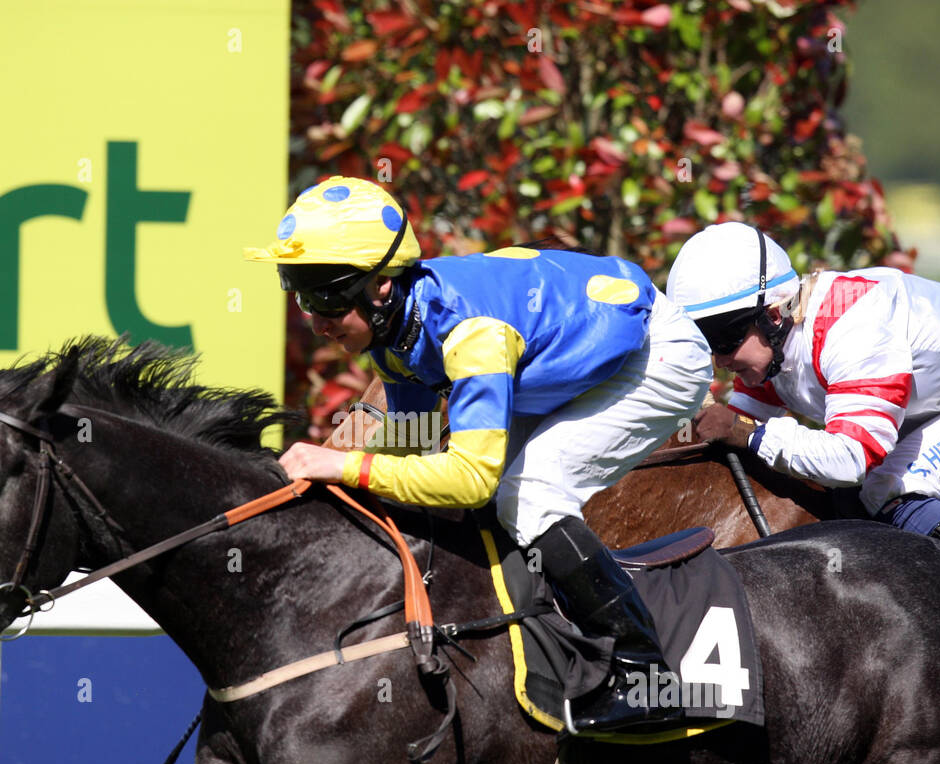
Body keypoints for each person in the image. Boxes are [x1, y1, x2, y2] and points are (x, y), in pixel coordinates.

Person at [244, 176, 713, 731]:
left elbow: (471, 479)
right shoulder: (394, 335)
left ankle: (644, 674)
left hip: (655, 359)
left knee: (527, 493)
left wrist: (340, 463)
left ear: (381, 288)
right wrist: (323, 482)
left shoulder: (471, 334)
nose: (316, 322)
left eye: (325, 299)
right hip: (562, 367)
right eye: (300, 296)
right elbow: (413, 442)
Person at [667, 221, 940, 574]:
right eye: (704, 342)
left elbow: (851, 458)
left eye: (723, 339)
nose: (719, 359)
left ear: (773, 315)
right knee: (847, 497)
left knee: (885, 489)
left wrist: (746, 432)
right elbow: (735, 430)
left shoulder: (854, 328)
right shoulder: (772, 349)